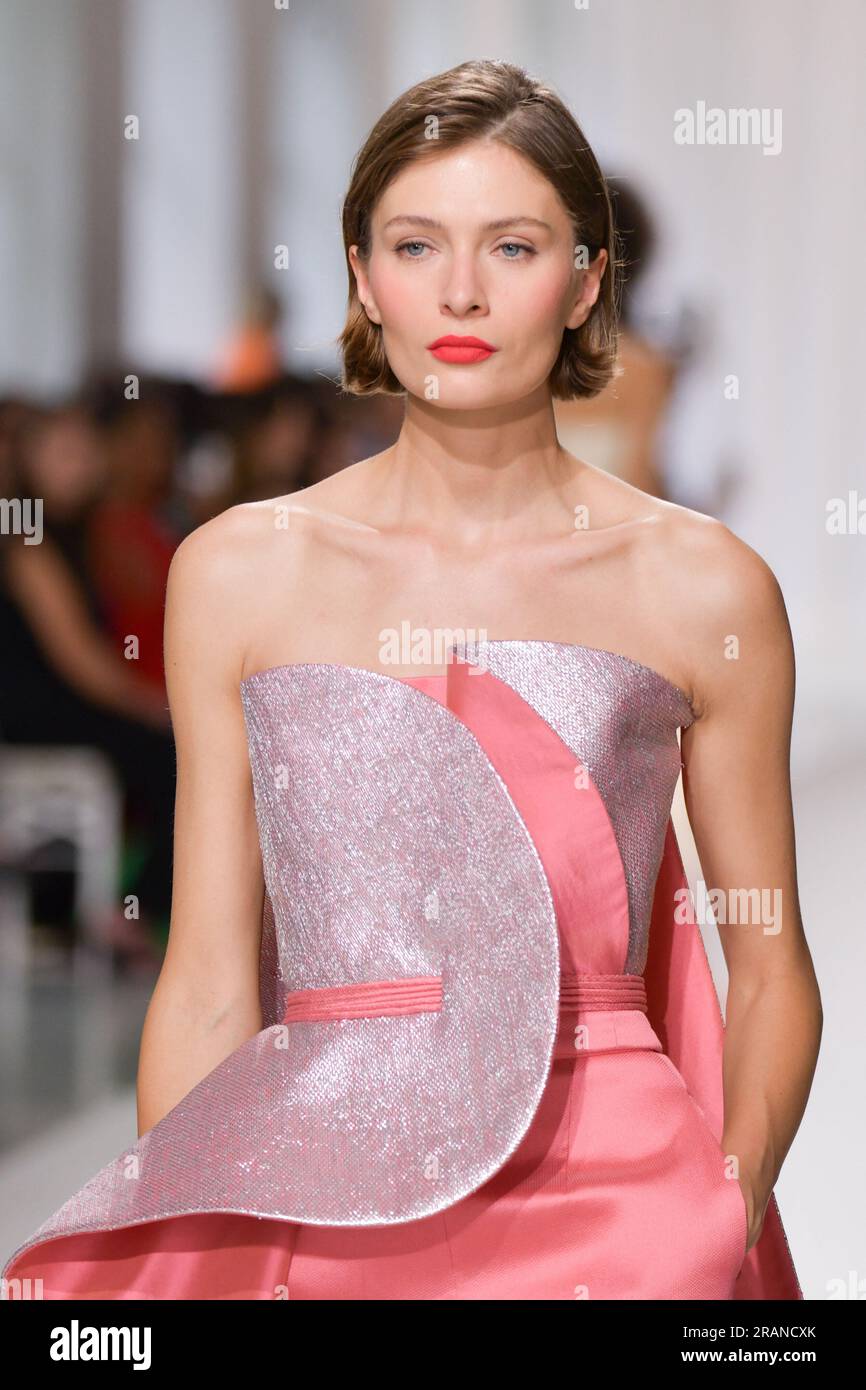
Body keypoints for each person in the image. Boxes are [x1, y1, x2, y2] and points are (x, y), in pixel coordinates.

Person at [1, 58, 819, 1301]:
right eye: (415, 243)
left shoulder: (699, 588)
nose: (459, 292)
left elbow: (764, 962)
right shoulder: (239, 574)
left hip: (617, 1206)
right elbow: (214, 974)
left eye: (511, 246)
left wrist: (722, 1203)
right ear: (359, 274)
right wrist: (199, 1218)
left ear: (584, 277)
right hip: (316, 1194)